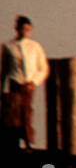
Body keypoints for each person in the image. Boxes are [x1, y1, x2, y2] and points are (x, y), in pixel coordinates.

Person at [2, 15, 49, 148]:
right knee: (13, 113)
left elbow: (43, 68)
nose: (26, 32)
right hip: (15, 82)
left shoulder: (35, 46)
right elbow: (3, 69)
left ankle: (28, 141)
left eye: (28, 29)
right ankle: (14, 143)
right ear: (17, 29)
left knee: (26, 112)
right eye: (23, 29)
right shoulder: (8, 46)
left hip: (29, 84)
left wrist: (34, 82)